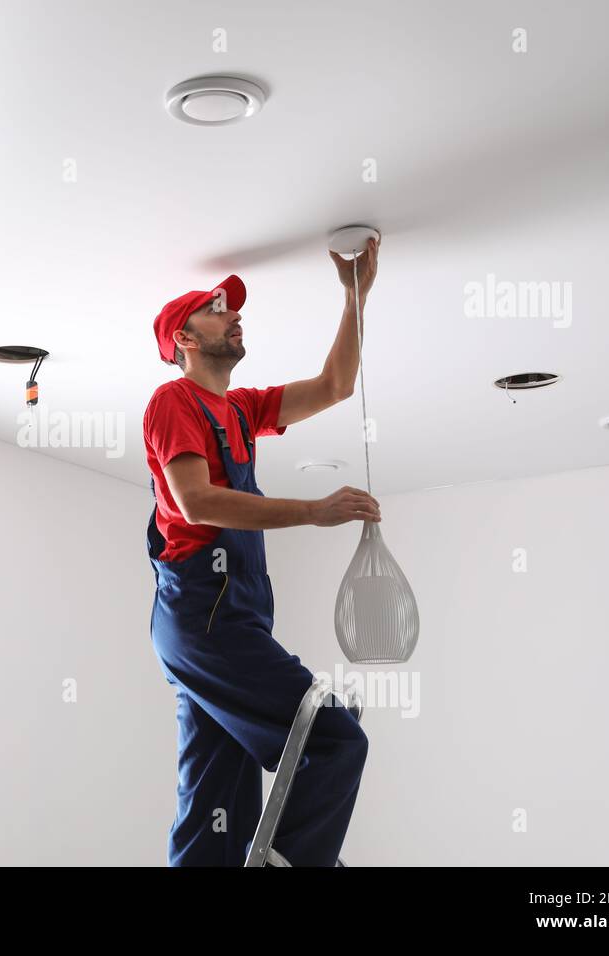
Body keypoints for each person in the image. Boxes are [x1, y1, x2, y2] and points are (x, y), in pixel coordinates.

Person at [143, 236, 381, 866]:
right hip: (204, 613)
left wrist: (355, 297)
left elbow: (335, 384)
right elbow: (198, 502)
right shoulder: (174, 402)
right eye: (216, 308)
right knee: (333, 738)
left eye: (233, 307)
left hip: (228, 618)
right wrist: (313, 512)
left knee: (217, 806)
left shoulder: (241, 411)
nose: (234, 313)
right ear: (185, 340)